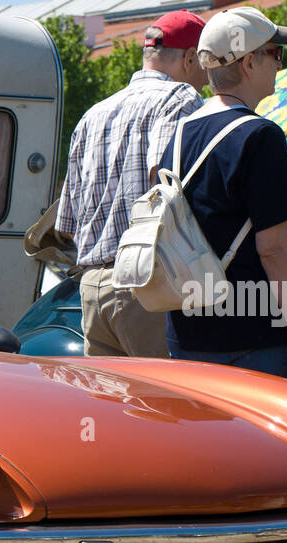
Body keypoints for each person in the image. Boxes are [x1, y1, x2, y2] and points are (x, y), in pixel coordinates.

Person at [160, 7, 287, 387]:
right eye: (275, 54)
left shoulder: (179, 132)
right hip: (254, 338)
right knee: (271, 448)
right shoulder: (261, 136)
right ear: (249, 62)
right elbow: (275, 250)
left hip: (188, 333)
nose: (279, 66)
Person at [56, 10, 208, 358]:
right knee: (165, 408)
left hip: (92, 288)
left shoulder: (92, 115)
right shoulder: (180, 99)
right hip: (146, 286)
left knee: (114, 408)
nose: (208, 78)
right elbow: (167, 185)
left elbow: (67, 223)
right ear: (189, 58)